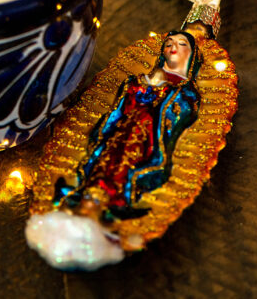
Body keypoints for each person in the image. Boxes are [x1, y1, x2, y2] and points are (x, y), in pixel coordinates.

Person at [53, 30, 201, 223]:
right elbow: (119, 108)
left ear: (191, 54)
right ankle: (90, 190)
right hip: (121, 130)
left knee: (127, 163)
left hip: (146, 138)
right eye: (169, 43)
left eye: (182, 44)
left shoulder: (186, 92)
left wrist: (163, 95)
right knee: (106, 159)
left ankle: (110, 196)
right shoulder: (138, 80)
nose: (173, 47)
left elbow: (179, 116)